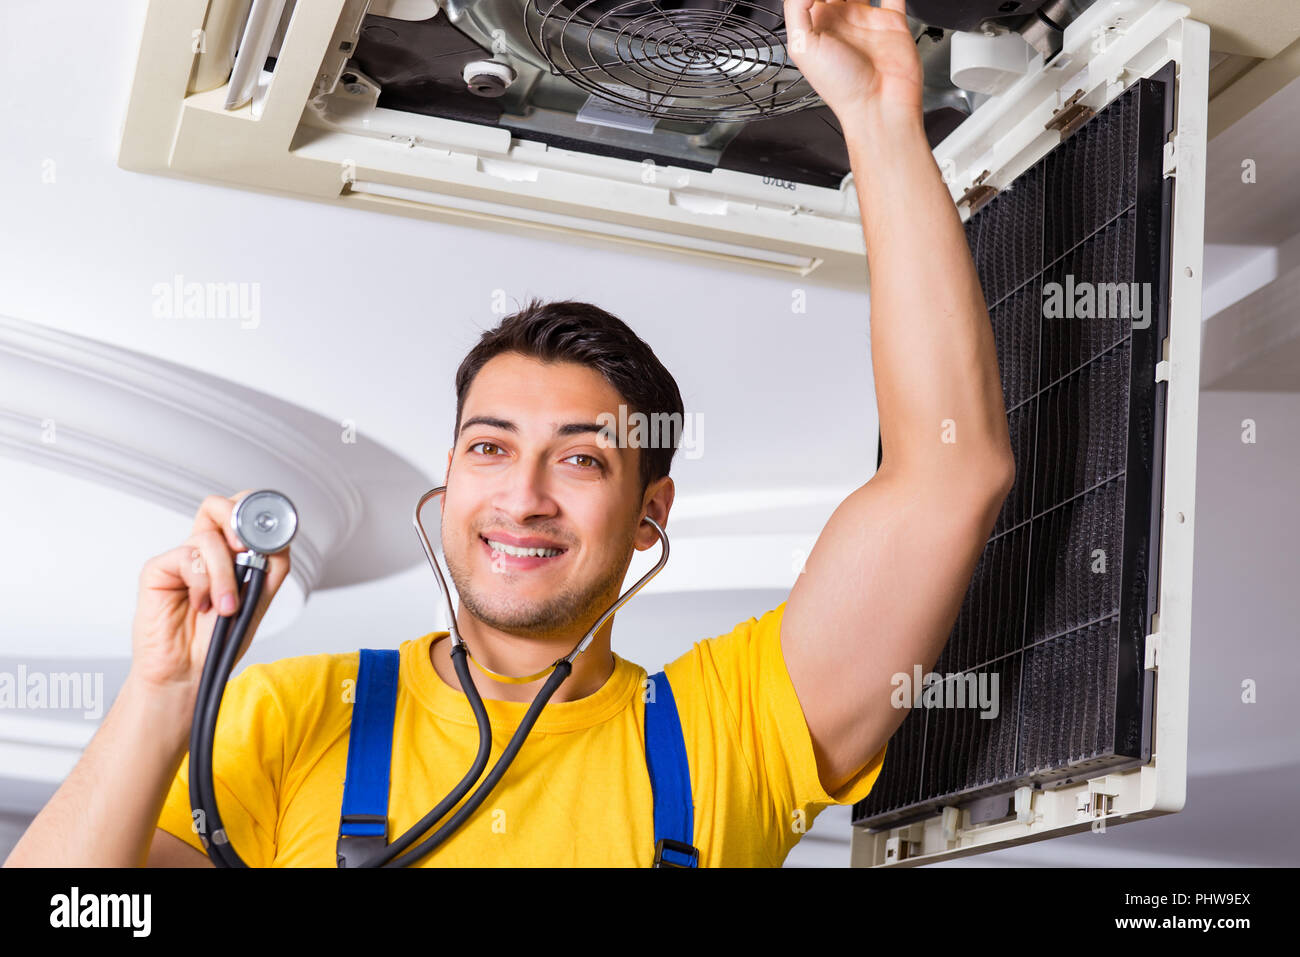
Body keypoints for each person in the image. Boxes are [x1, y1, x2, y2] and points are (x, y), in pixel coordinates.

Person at [5, 0, 1013, 867]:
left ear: (649, 516)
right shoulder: (295, 714)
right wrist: (162, 693)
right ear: (448, 482)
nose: (523, 494)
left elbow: (948, 472)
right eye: (489, 448)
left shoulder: (732, 729)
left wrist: (879, 118)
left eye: (580, 458)